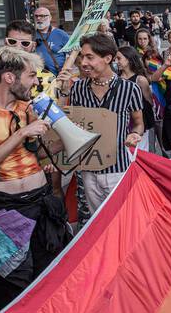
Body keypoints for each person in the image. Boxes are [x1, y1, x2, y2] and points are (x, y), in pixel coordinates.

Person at [0, 47, 69, 313]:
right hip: (4, 209)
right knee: (12, 283)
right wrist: (22, 134)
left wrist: (64, 135)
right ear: (9, 77)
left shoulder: (27, 108)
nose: (35, 82)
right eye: (31, 76)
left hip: (42, 201)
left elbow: (39, 153)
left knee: (49, 276)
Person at [59, 33, 143, 213]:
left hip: (119, 170)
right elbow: (69, 125)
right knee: (98, 222)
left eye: (90, 57)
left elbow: (138, 123)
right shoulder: (78, 88)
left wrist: (135, 134)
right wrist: (64, 93)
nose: (83, 63)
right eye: (82, 57)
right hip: (89, 171)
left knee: (123, 219)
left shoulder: (130, 89)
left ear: (107, 58)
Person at [31, 5, 70, 76]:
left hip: (57, 77)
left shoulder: (61, 34)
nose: (38, 18)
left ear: (50, 18)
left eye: (42, 16)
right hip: (37, 77)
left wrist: (66, 70)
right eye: (36, 16)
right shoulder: (30, 34)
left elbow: (73, 54)